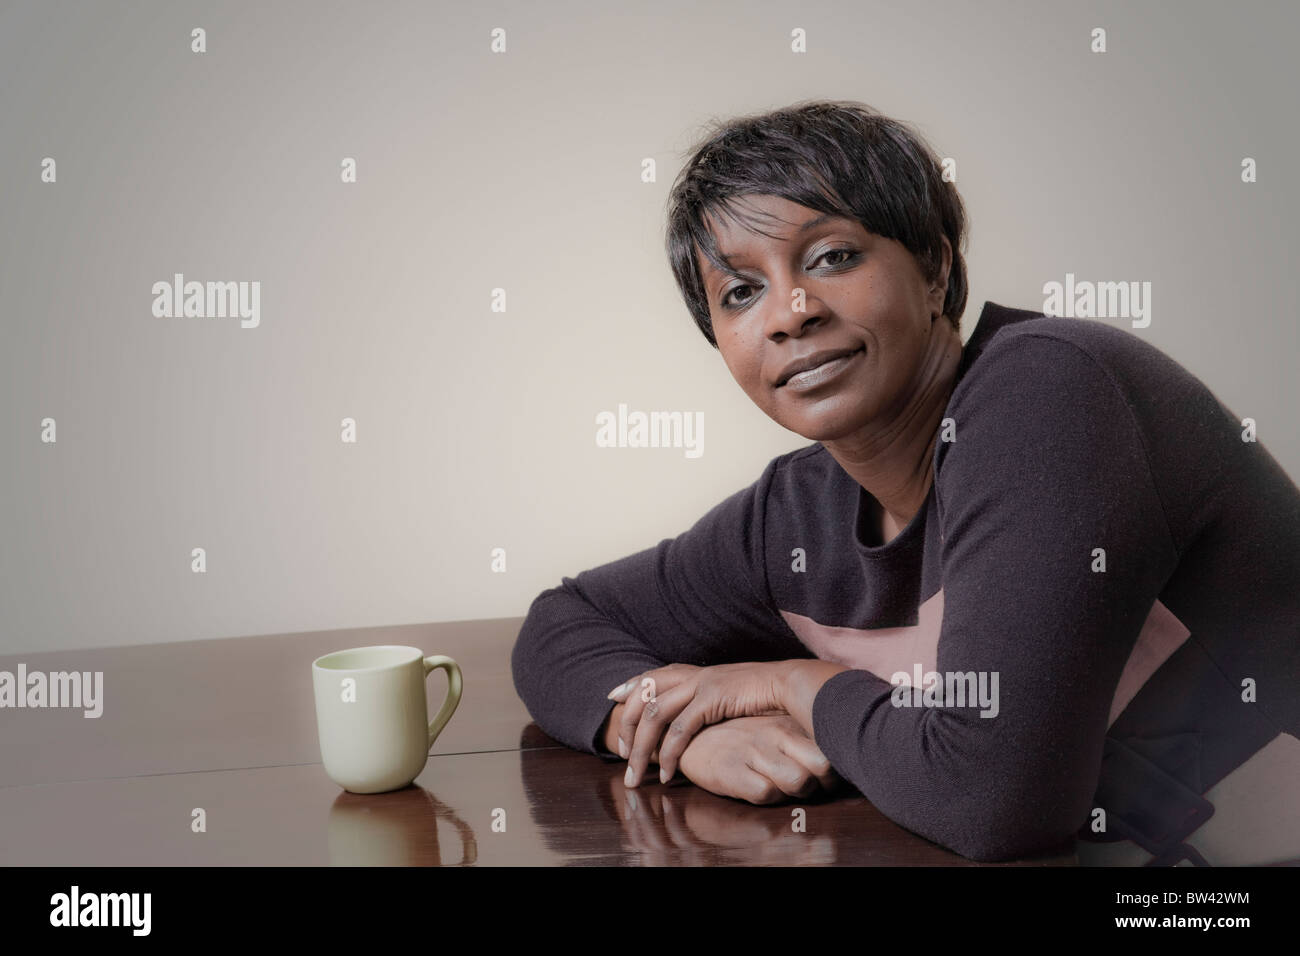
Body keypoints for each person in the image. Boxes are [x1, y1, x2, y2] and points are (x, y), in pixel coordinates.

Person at [511, 100, 1300, 864]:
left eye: (833, 257)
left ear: (934, 272)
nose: (790, 313)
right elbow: (562, 623)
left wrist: (796, 685)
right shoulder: (794, 515)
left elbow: (991, 800)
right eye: (741, 292)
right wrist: (682, 735)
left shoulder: (1049, 392)